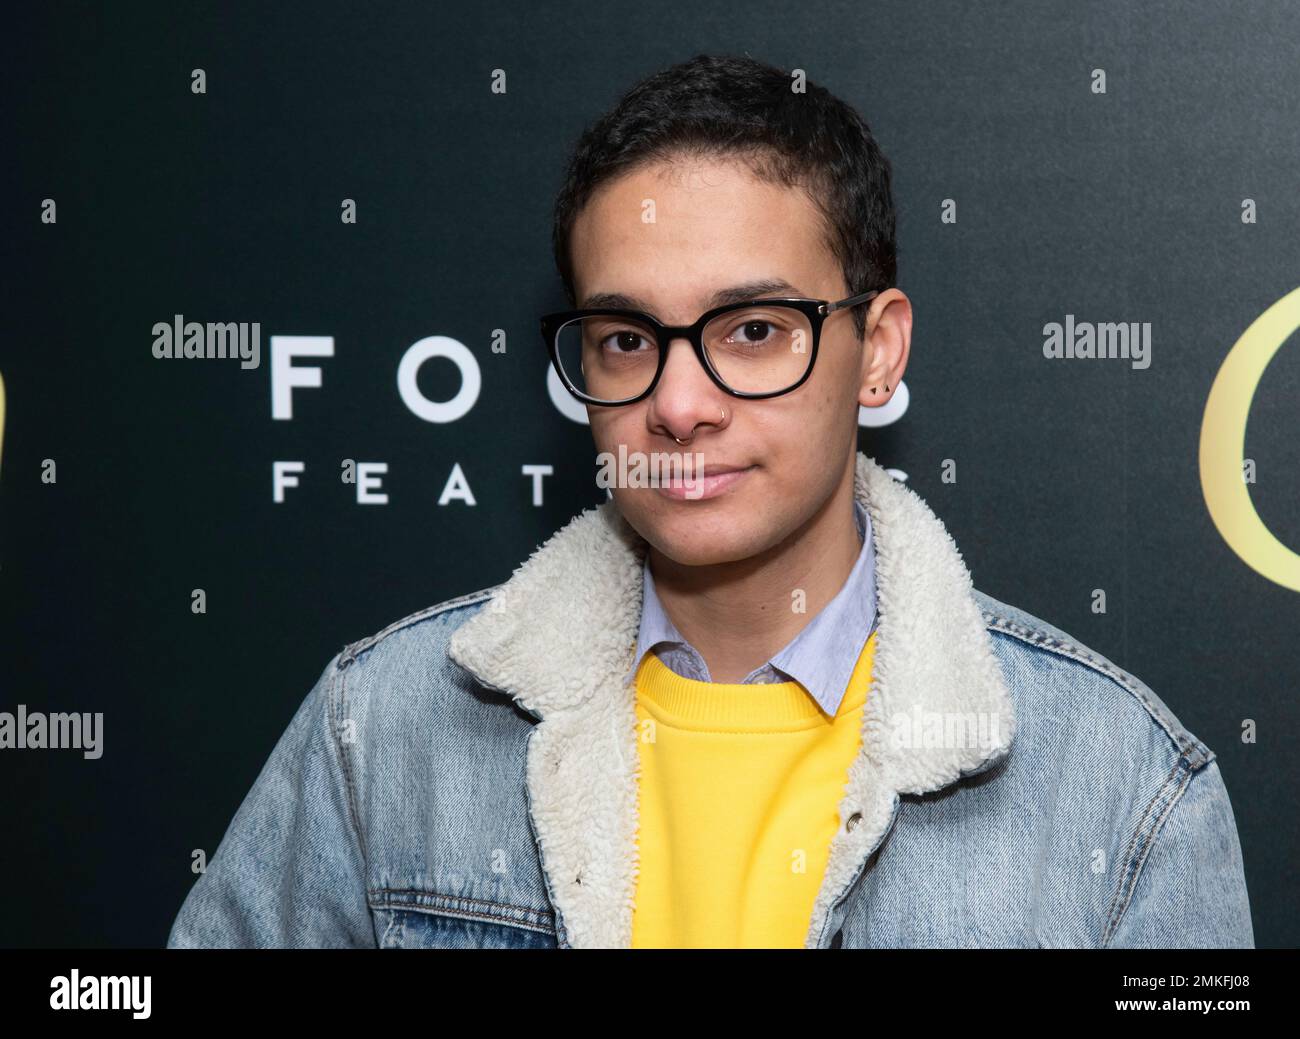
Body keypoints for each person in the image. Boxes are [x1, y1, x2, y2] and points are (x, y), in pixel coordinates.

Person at [166, 53, 1253, 949]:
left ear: (876, 353)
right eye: (626, 339)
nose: (678, 405)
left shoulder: (1122, 789)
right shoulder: (383, 731)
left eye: (752, 331)